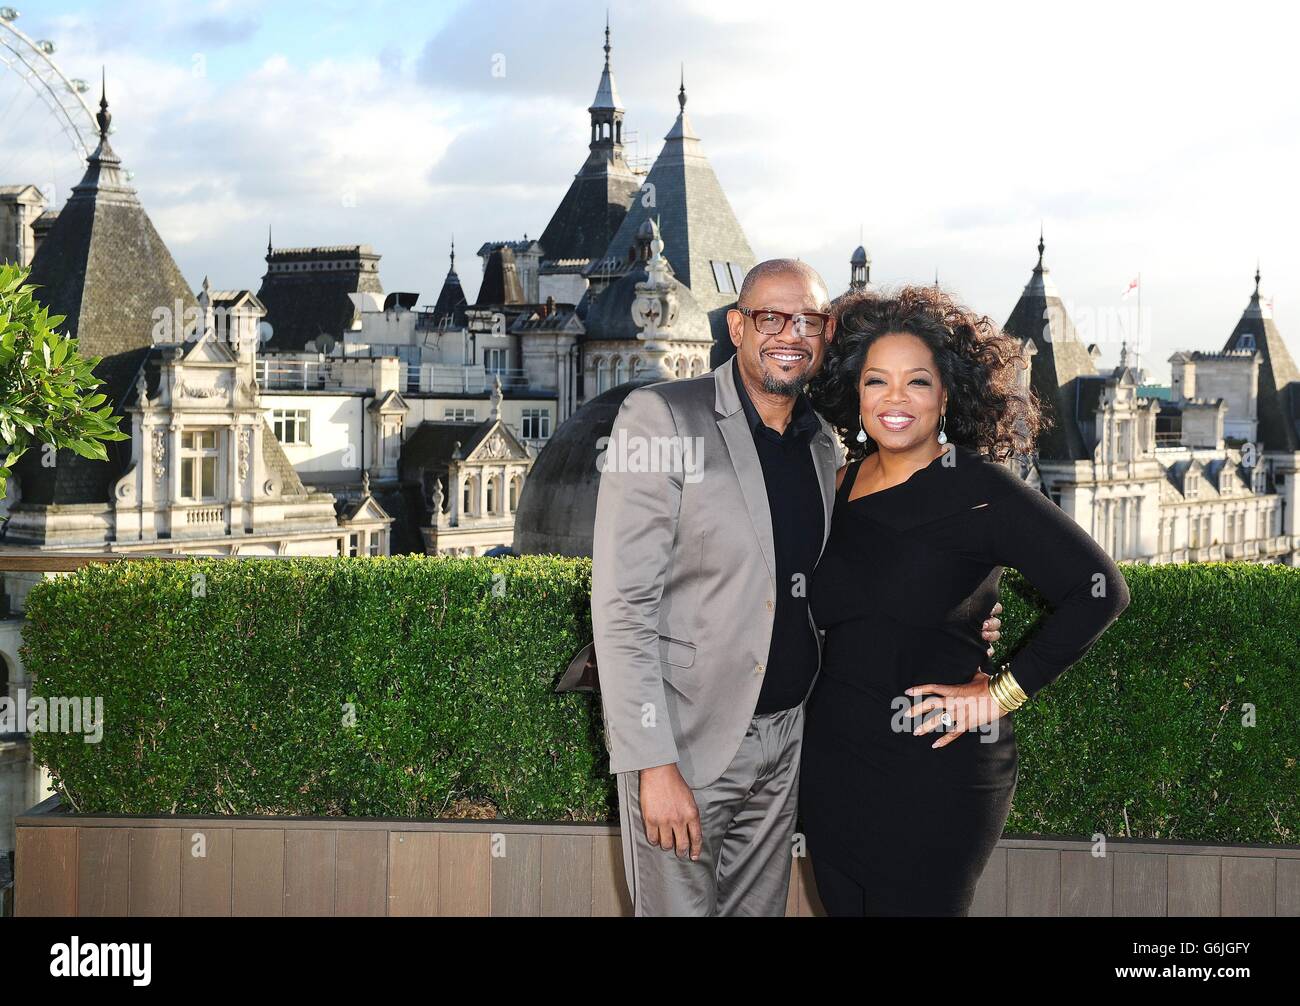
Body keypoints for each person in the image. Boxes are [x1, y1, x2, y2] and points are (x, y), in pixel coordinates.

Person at [590, 260, 1004, 916]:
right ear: (737, 326)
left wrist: (959, 617)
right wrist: (652, 764)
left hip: (790, 744)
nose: (790, 333)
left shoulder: (823, 446)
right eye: (770, 317)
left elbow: (847, 580)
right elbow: (622, 606)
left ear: (826, 331)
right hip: (688, 743)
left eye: (808, 319)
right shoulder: (662, 418)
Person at [801, 284, 1130, 916]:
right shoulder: (839, 485)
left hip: (936, 772)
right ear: (855, 392)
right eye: (877, 382)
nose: (895, 400)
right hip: (835, 767)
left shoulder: (980, 490)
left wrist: (997, 695)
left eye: (917, 382)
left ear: (947, 393)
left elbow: (1099, 591)